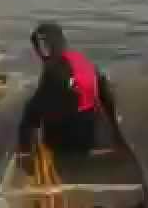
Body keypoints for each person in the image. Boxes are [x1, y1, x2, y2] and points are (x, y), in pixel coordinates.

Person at [17, 22, 119, 160]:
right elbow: (108, 98)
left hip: (60, 143)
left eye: (38, 49)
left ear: (46, 48)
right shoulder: (86, 63)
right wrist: (116, 132)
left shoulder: (52, 71)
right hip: (88, 139)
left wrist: (24, 145)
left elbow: (33, 113)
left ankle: (28, 154)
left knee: (30, 108)